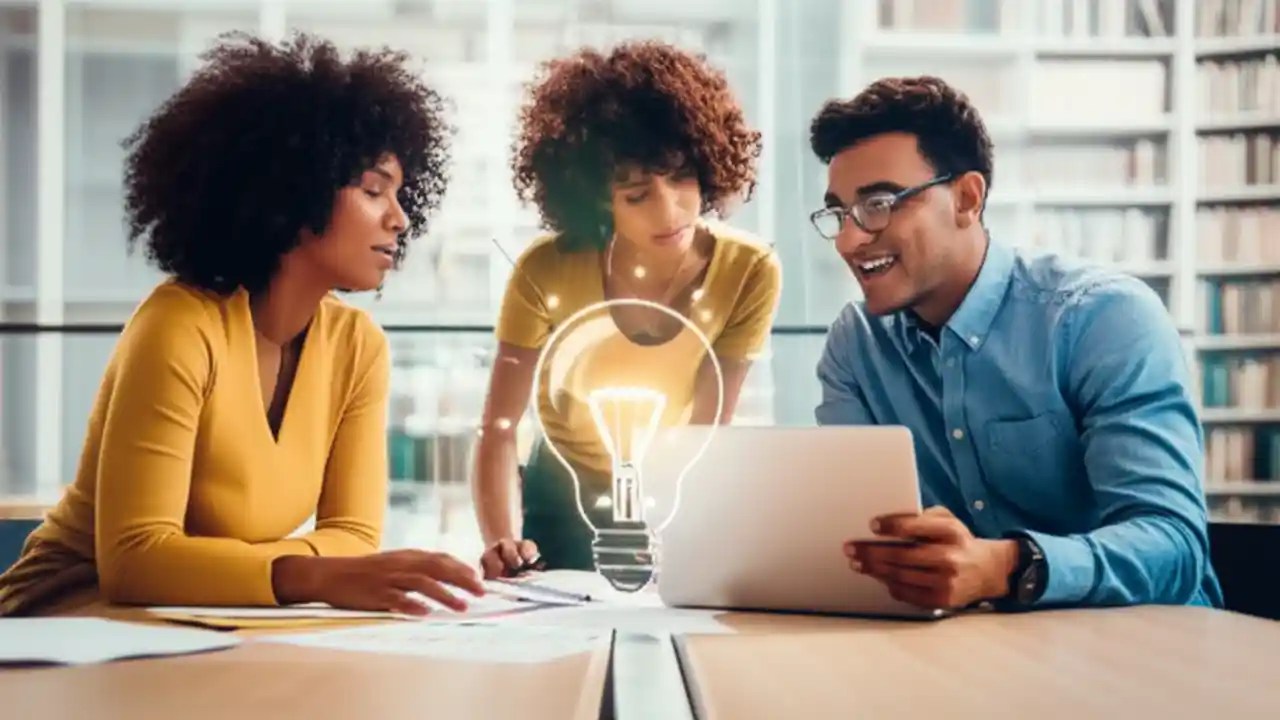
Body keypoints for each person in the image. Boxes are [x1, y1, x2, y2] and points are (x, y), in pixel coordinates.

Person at [0, 32, 485, 617]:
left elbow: (353, 539)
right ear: (294, 190)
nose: (399, 218)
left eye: (402, 195)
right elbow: (135, 559)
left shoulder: (357, 348)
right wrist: (309, 573)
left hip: (212, 621)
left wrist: (291, 573)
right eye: (373, 190)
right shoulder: (180, 325)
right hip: (64, 619)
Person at [808, 76, 1223, 611]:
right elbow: (860, 539)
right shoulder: (856, 345)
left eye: (880, 204)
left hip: (1151, 650)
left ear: (966, 197)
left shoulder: (1102, 318)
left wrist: (1004, 568)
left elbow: (1174, 546)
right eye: (839, 214)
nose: (849, 239)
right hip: (977, 649)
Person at [473, 41, 782, 578]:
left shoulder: (750, 270)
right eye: (637, 195)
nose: (670, 211)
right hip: (561, 485)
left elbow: (711, 427)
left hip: (675, 476)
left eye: (682, 177)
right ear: (596, 198)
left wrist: (664, 513)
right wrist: (503, 539)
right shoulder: (544, 269)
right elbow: (499, 429)